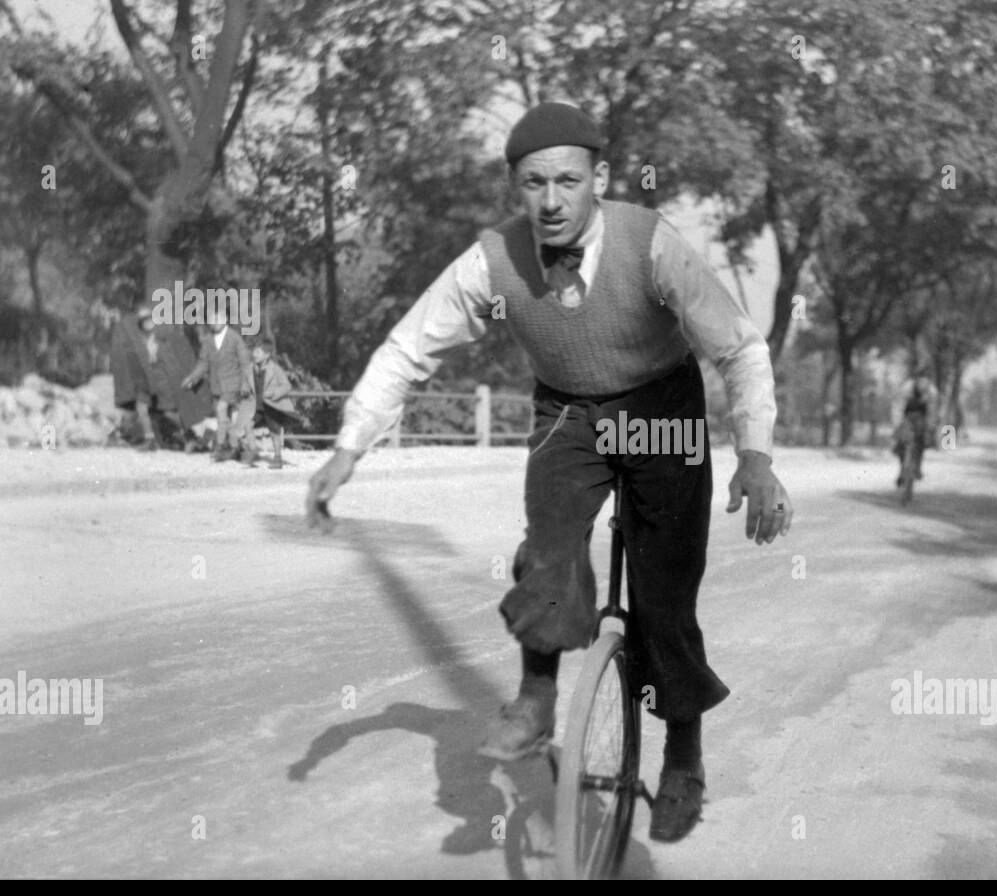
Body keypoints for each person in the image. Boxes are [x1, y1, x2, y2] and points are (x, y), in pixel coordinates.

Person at [305, 102, 792, 843]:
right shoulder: (493, 261)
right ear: (516, 186)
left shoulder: (650, 243)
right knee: (551, 543)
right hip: (568, 412)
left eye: (569, 179)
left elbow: (740, 348)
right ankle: (535, 701)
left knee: (665, 593)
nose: (553, 200)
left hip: (662, 409)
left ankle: (684, 757)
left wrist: (754, 457)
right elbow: (410, 348)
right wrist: (348, 447)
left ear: (599, 178)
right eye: (535, 182)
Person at [181, 308, 257, 464]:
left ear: (225, 319)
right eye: (211, 319)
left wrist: (245, 384)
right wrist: (193, 378)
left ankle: (224, 447)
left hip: (233, 385)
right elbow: (203, 363)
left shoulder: (235, 338)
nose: (214, 322)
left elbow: (245, 364)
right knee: (225, 418)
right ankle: (234, 448)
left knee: (225, 412)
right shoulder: (208, 341)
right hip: (216, 387)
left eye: (217, 318)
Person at [132, 307, 188, 451]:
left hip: (162, 380)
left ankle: (189, 432)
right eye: (144, 320)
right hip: (146, 381)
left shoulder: (162, 337)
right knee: (141, 407)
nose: (148, 322)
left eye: (149, 319)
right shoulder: (141, 339)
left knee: (169, 412)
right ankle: (150, 439)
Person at [250, 338, 298, 470]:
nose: (254, 354)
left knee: (274, 432)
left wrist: (273, 393)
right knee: (246, 426)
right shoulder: (251, 368)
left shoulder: (275, 369)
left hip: (271, 406)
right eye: (254, 352)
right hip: (256, 406)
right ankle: (252, 453)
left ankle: (278, 457)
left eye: (258, 352)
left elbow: (287, 386)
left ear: (267, 355)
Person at [893, 379, 931, 485]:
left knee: (900, 448)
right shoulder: (922, 403)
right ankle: (917, 470)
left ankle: (902, 473)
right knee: (920, 448)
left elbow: (904, 415)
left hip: (908, 430)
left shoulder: (909, 402)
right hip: (916, 430)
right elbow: (925, 416)